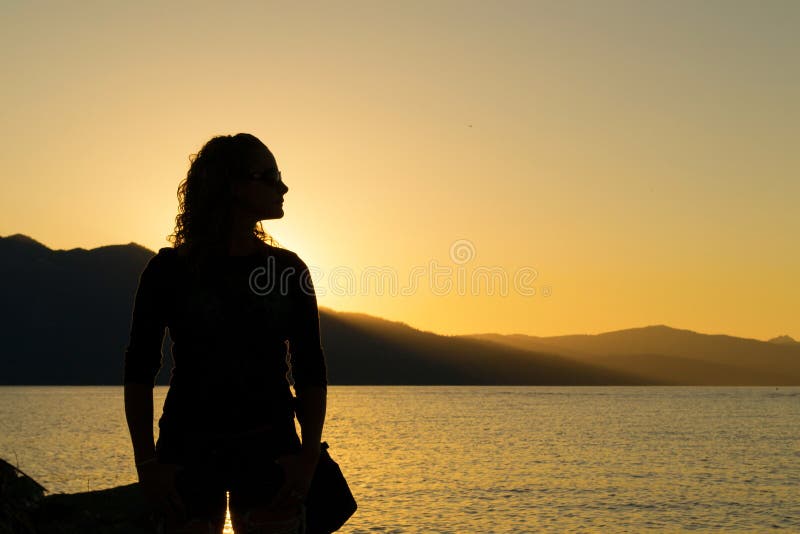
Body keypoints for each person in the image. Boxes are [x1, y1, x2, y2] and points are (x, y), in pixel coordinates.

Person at [124, 133, 328, 534]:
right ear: (233, 185)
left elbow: (310, 367)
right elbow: (139, 369)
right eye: (269, 176)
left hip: (270, 449)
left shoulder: (288, 270)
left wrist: (308, 457)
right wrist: (147, 464)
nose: (282, 187)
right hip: (187, 451)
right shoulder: (167, 271)